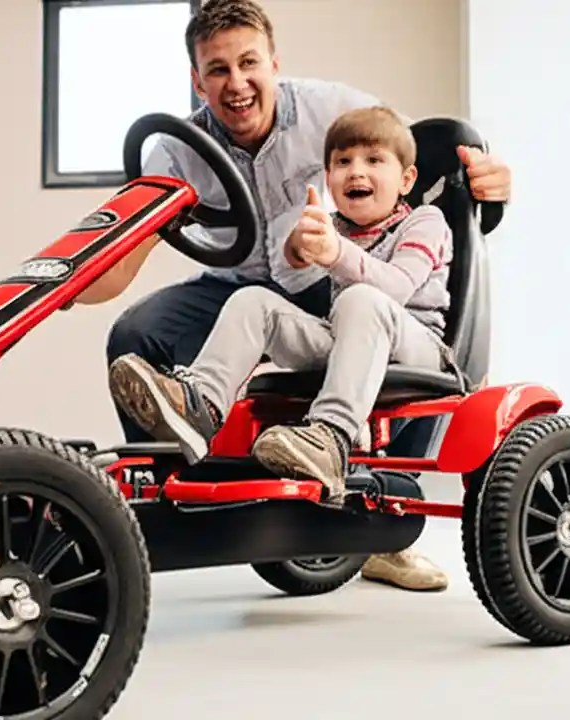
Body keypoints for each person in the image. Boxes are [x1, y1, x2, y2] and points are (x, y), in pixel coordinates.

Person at [75, 0, 511, 592]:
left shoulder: (336, 112)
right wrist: (76, 272)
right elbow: (115, 265)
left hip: (337, 289)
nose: (237, 83)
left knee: (362, 307)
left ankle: (383, 511)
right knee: (137, 333)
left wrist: (488, 183)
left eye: (249, 63)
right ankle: (178, 471)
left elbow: (422, 155)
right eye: (218, 70)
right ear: (197, 80)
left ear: (274, 63)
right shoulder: (176, 150)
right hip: (245, 287)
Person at [108, 105, 451, 504]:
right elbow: (293, 267)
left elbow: (397, 288)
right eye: (343, 162)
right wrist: (299, 247)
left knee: (361, 298)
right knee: (253, 300)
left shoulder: (425, 221)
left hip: (416, 348)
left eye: (374, 160)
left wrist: (336, 252)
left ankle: (330, 438)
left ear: (406, 179)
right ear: (328, 178)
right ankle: (198, 405)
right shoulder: (334, 225)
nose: (356, 171)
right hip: (350, 343)